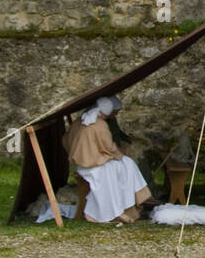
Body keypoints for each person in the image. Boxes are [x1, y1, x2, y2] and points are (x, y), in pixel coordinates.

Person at [63, 95, 152, 223]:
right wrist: (120, 153)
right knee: (125, 165)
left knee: (124, 165)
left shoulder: (80, 121)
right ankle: (121, 208)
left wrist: (82, 153)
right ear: (108, 111)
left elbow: (65, 140)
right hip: (93, 166)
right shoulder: (100, 124)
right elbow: (109, 147)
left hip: (83, 165)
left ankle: (133, 201)